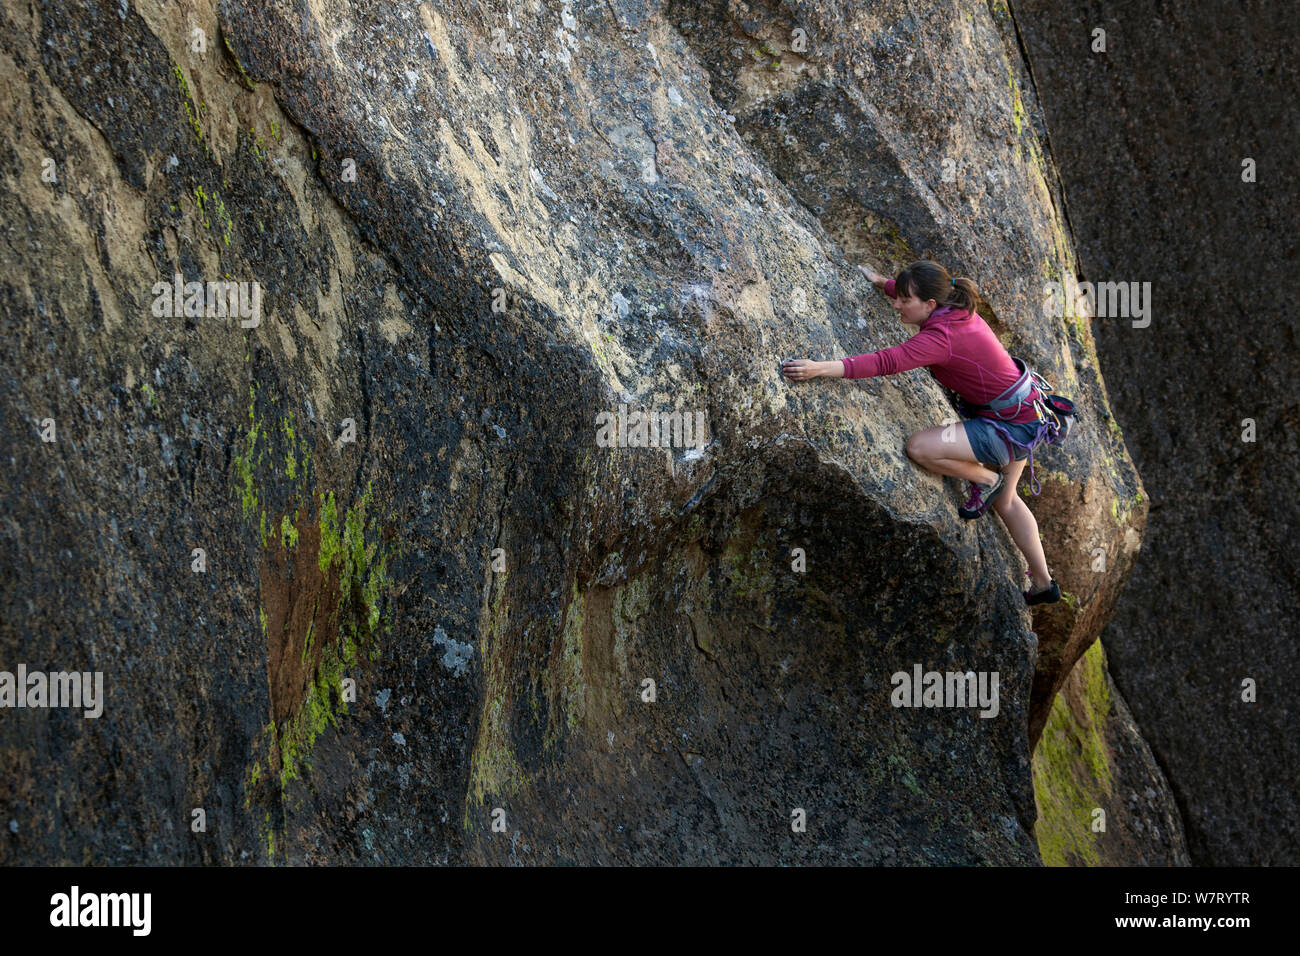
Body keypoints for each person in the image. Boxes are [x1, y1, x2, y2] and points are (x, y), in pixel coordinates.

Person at [781, 259, 1061, 606]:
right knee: (1008, 504)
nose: (897, 304)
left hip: (1008, 426)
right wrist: (883, 282)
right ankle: (1044, 584)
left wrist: (819, 369)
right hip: (1026, 412)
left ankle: (987, 481)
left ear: (930, 305)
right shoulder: (954, 308)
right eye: (896, 296)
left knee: (921, 448)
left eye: (904, 300)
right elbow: (910, 299)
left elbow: (886, 362)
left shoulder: (941, 337)